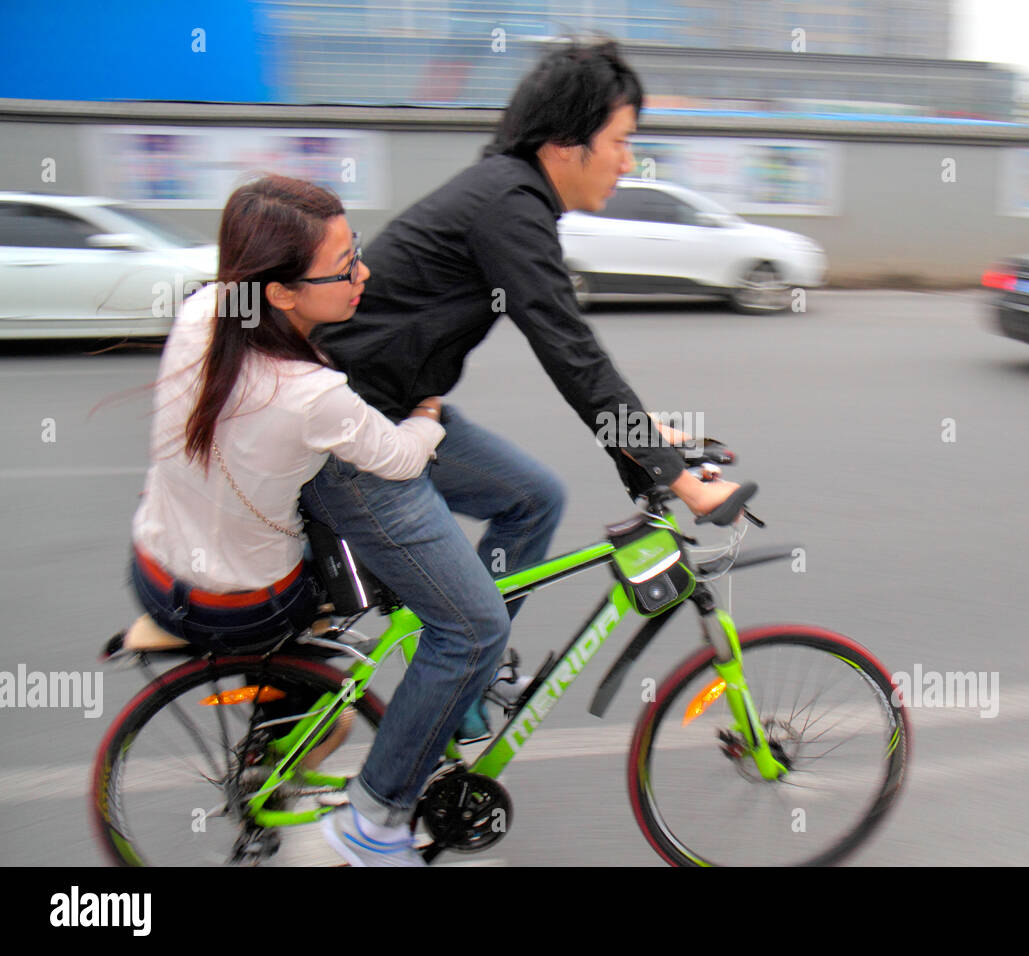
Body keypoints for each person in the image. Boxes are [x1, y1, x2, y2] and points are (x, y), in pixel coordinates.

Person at [303, 39, 741, 866]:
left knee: (531, 497)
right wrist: (674, 474)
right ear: (565, 144)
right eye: (619, 140)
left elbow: (574, 357)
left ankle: (458, 698)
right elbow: (569, 350)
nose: (625, 160)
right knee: (466, 627)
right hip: (352, 435)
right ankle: (371, 824)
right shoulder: (509, 205)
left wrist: (651, 445)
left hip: (396, 408)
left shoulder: (509, 193)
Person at [129, 174, 446, 655]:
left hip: (151, 573)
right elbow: (402, 458)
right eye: (345, 267)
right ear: (279, 293)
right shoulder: (312, 393)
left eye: (355, 251)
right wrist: (428, 413)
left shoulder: (202, 310)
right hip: (245, 609)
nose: (363, 273)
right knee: (352, 561)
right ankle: (297, 698)